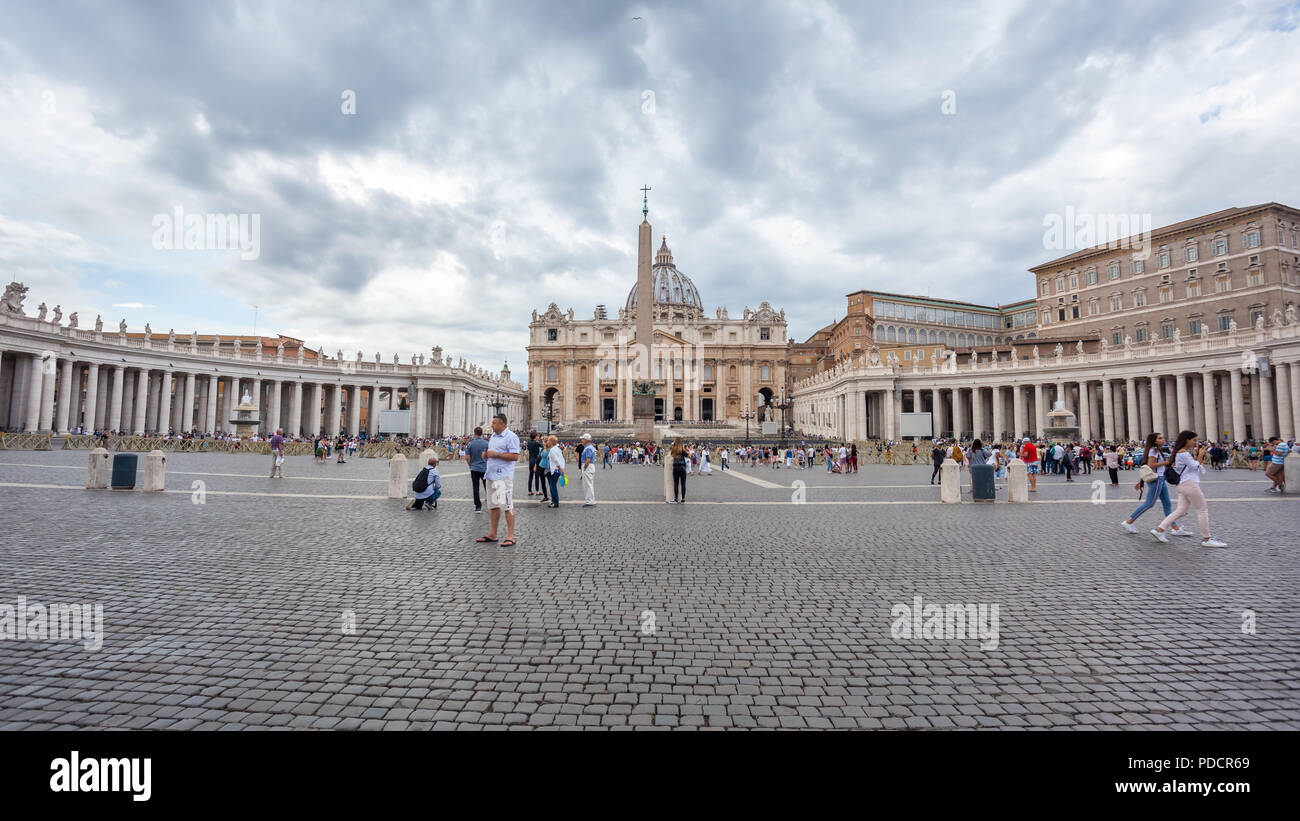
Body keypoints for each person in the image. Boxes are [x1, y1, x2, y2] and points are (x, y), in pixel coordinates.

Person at [1151, 430, 1225, 547]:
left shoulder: (1179, 453)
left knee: (1181, 510)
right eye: (1194, 440)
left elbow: (1193, 466)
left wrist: (1198, 456)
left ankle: (1160, 529)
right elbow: (1196, 466)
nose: (1196, 442)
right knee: (1202, 509)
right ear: (1187, 440)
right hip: (1189, 484)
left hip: (1182, 484)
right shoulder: (1183, 453)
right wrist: (1201, 455)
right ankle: (1207, 539)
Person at [1121, 432, 1190, 537]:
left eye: (1163, 437)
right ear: (1154, 441)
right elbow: (1151, 465)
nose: (1163, 439)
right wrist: (1167, 462)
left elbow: (1149, 468)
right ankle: (1128, 522)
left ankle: (1175, 528)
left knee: (1167, 504)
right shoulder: (1153, 450)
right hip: (1157, 479)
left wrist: (1142, 480)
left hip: (1160, 479)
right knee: (1149, 503)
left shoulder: (1157, 450)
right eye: (1160, 438)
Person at [476, 414, 520, 547]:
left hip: (503, 476)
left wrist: (495, 454)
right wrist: (486, 455)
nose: (491, 425)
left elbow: (514, 456)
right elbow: (492, 453)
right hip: (491, 475)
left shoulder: (511, 437)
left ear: (502, 424)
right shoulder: (493, 437)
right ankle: (493, 533)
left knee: (507, 506)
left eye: (494, 423)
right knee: (494, 505)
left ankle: (510, 535)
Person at [464, 426, 489, 513]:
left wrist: (470, 465)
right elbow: (489, 456)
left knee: (476, 488)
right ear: (482, 434)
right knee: (488, 487)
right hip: (484, 468)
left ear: (474, 434)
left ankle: (478, 506)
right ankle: (492, 504)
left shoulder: (470, 444)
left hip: (474, 468)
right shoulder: (486, 443)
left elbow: (467, 457)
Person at [543, 434, 565, 508]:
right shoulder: (557, 449)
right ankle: (554, 501)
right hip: (557, 470)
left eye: (548, 440)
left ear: (551, 442)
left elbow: (555, 460)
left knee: (553, 487)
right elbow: (561, 459)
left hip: (554, 471)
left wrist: (560, 468)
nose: (547, 442)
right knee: (553, 486)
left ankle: (555, 502)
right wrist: (561, 468)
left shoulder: (552, 450)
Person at [579, 433, 597, 507]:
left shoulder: (588, 448)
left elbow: (588, 460)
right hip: (590, 466)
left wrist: (584, 468)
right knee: (589, 484)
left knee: (588, 484)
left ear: (586, 440)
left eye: (582, 439)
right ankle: (590, 500)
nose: (581, 440)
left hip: (587, 466)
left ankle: (590, 501)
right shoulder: (590, 447)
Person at [669, 436, 688, 504]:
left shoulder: (674, 448)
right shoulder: (682, 449)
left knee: (676, 483)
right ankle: (683, 499)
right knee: (683, 484)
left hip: (676, 467)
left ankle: (676, 499)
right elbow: (687, 455)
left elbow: (671, 454)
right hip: (682, 467)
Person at [526, 431, 544, 497]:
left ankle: (529, 491)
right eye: (537, 436)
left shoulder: (528, 442)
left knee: (530, 476)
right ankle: (537, 491)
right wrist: (541, 440)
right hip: (536, 461)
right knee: (537, 476)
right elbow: (543, 446)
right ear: (535, 436)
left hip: (531, 460)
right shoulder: (536, 443)